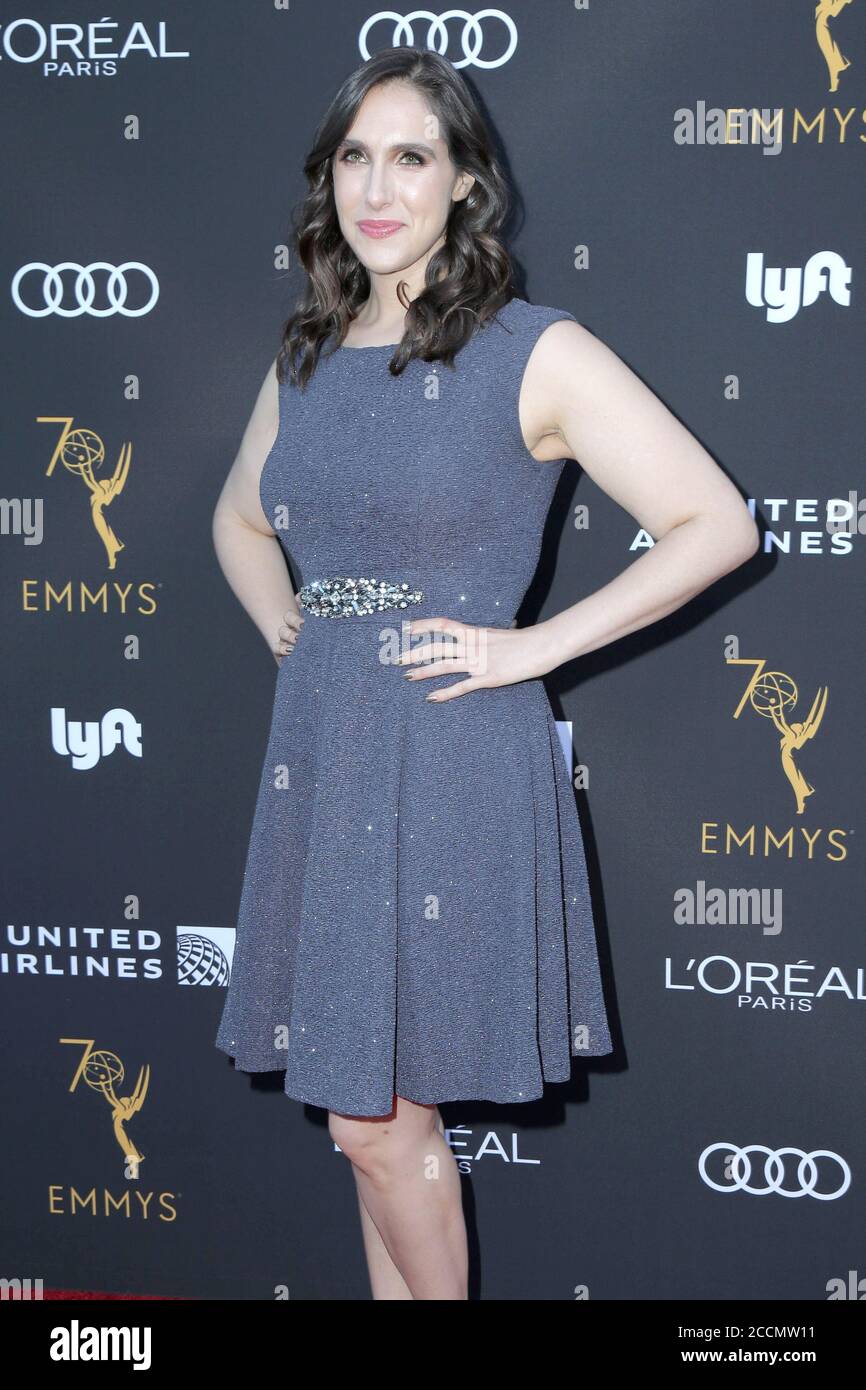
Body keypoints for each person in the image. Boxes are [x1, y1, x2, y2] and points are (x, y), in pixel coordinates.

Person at [212, 47, 759, 1301]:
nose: (377, 184)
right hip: (328, 748)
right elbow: (241, 520)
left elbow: (714, 522)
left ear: (464, 182)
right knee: (365, 1126)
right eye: (355, 155)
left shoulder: (534, 350)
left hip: (451, 745)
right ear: (328, 180)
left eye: (411, 155)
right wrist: (289, 625)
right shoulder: (308, 352)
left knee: (372, 1117)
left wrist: (531, 648)